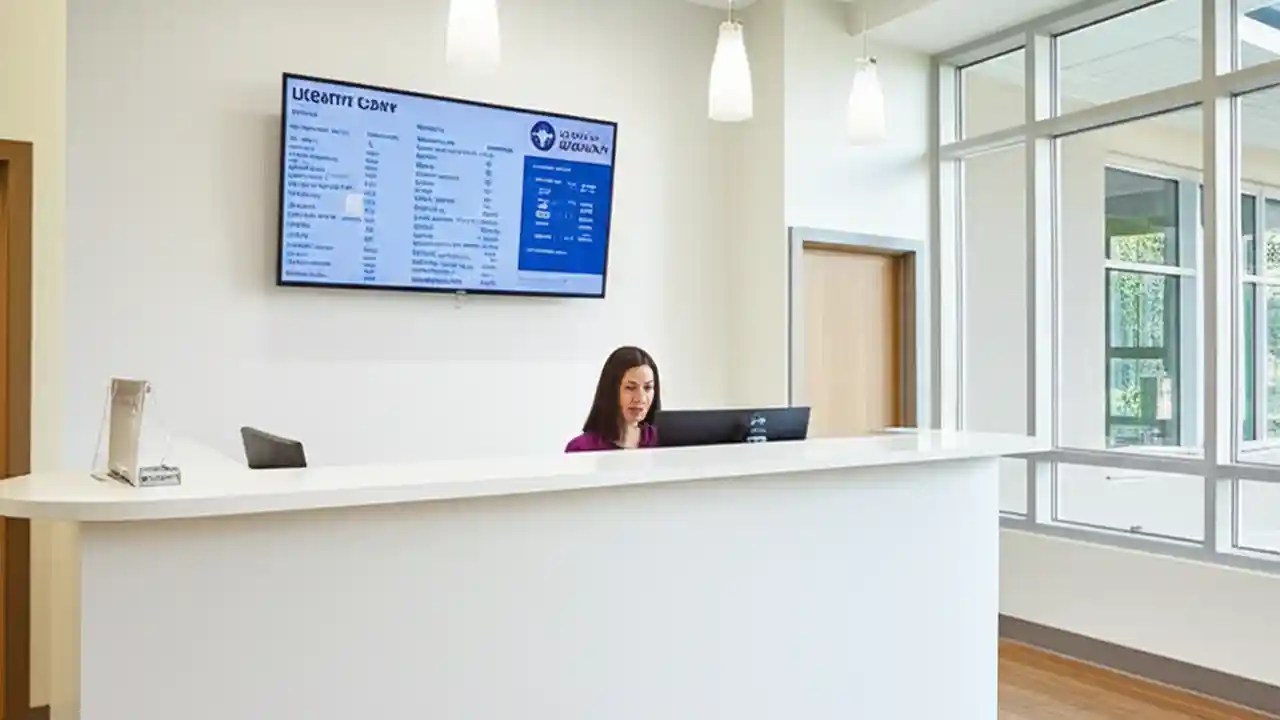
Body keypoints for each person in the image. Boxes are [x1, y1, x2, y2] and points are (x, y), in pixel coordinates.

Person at [565, 346, 661, 452]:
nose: (640, 398)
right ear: (610, 390)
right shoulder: (581, 448)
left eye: (647, 388)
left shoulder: (662, 441)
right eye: (630, 388)